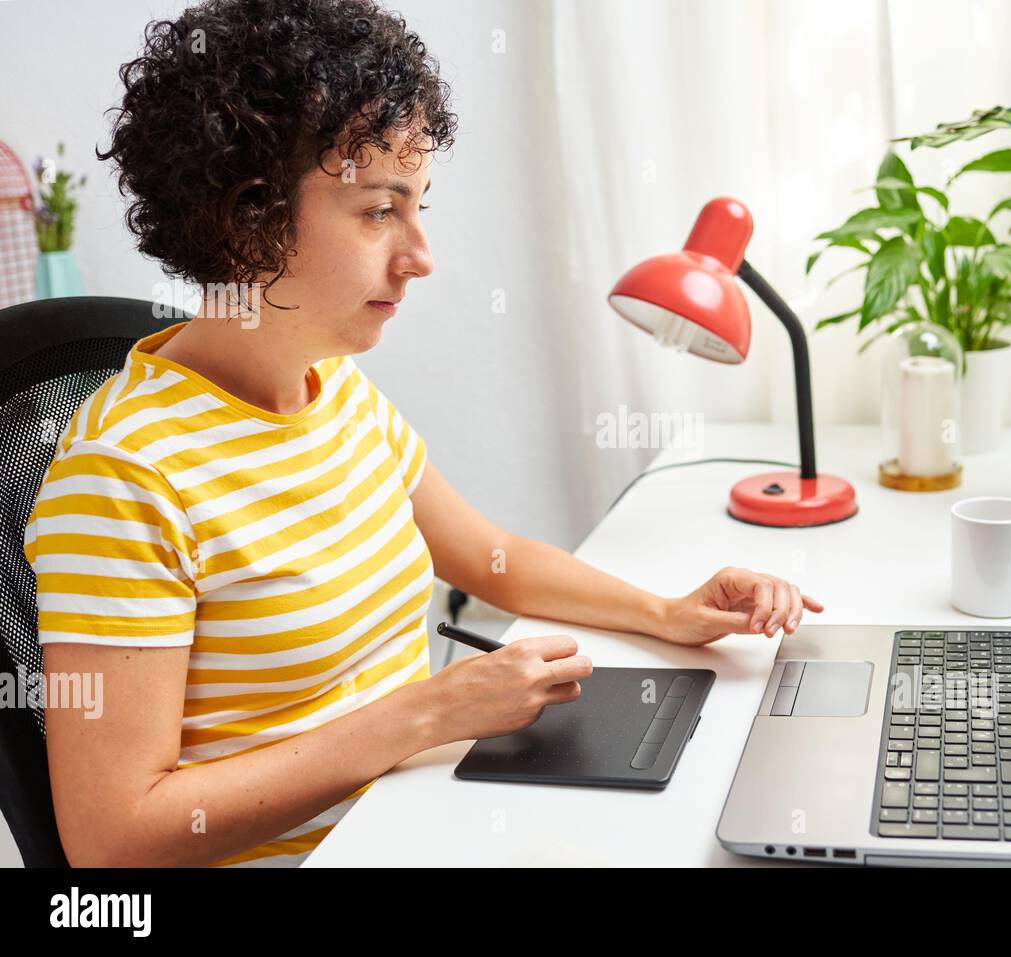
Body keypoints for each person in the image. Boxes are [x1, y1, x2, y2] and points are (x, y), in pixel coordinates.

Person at [22, 0, 822, 867]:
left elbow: (487, 556)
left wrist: (670, 612)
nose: (421, 253)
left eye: (419, 206)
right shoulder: (121, 479)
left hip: (427, 818)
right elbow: (113, 840)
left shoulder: (333, 390)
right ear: (245, 215)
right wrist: (429, 713)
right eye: (378, 211)